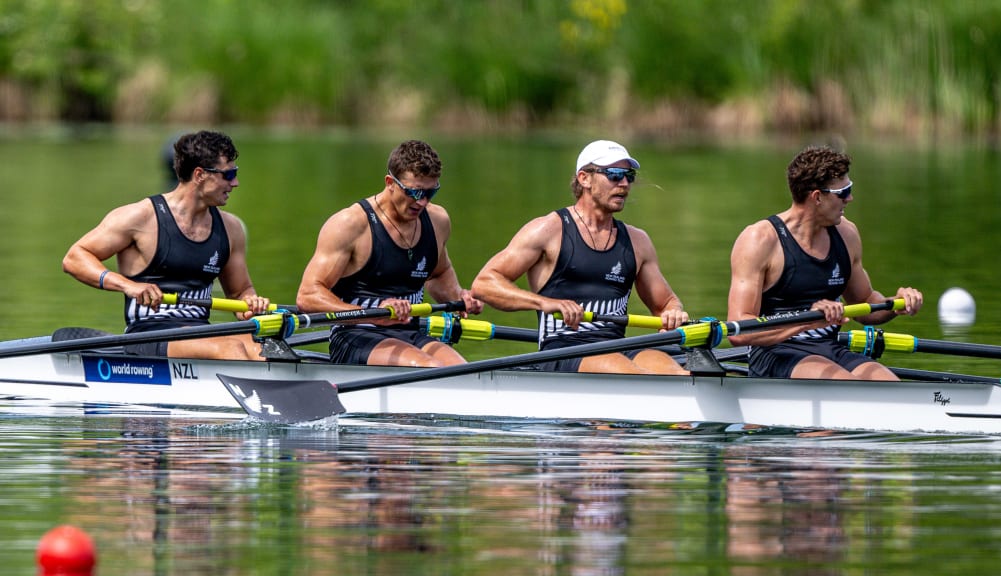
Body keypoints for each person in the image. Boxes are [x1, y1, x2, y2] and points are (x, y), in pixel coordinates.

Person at [471, 139, 689, 375]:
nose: (624, 183)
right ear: (584, 178)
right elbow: (484, 284)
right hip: (563, 350)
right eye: (614, 175)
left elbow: (665, 303)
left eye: (629, 175)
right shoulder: (548, 230)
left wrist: (673, 313)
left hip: (619, 346)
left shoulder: (638, 241)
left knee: (676, 373)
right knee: (630, 373)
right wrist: (543, 303)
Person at [62, 130, 271, 360]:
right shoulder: (140, 218)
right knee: (232, 350)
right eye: (228, 174)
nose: (235, 182)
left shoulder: (231, 229)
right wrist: (127, 285)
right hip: (149, 334)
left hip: (203, 331)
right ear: (200, 174)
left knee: (266, 350)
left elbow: (240, 291)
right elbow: (75, 257)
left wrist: (250, 303)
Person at [725, 145, 923, 380]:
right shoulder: (760, 240)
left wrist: (895, 304)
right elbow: (738, 328)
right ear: (817, 197)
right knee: (846, 386)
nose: (850, 198)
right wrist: (808, 321)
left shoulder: (846, 234)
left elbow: (865, 302)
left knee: (890, 387)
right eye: (843, 192)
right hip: (775, 353)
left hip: (830, 349)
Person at [296, 139, 483, 367]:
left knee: (464, 371)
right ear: (390, 183)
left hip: (411, 332)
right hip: (356, 335)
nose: (421, 202)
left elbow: (438, 274)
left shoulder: (438, 221)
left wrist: (458, 296)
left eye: (430, 192)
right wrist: (372, 313)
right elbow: (307, 295)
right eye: (414, 192)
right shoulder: (351, 224)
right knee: (432, 368)